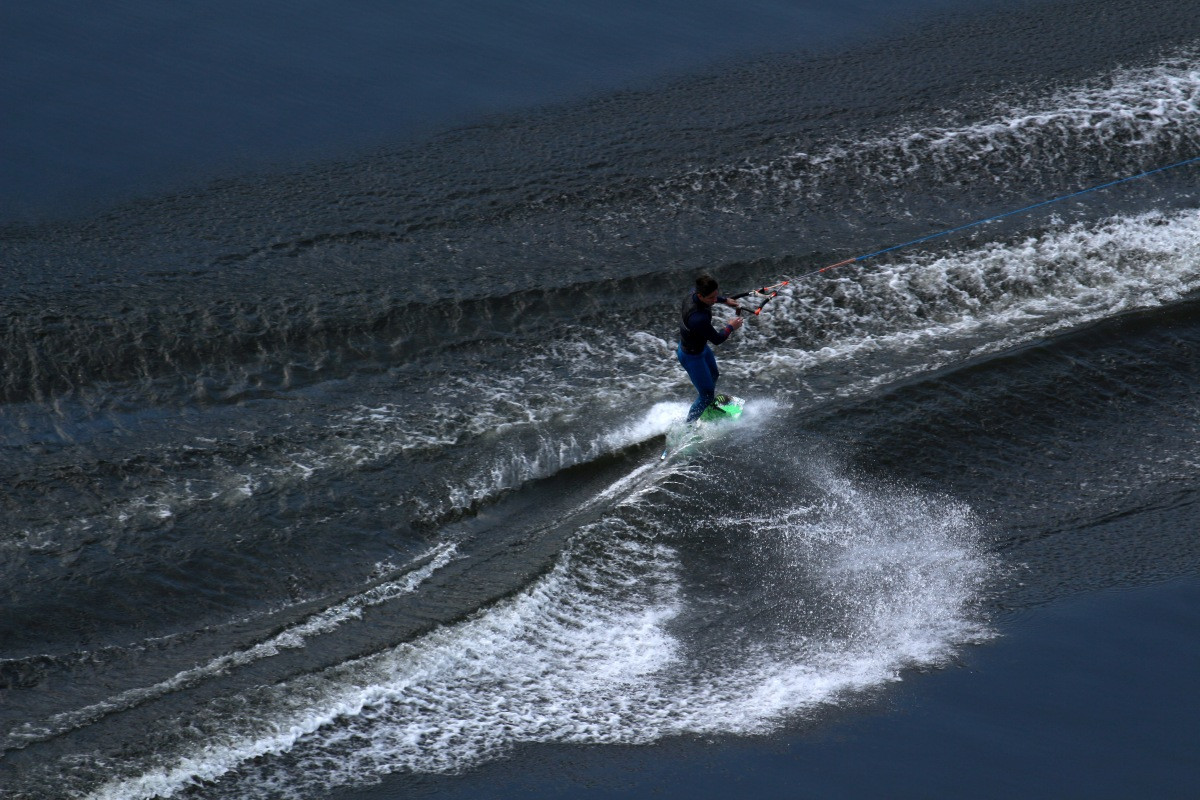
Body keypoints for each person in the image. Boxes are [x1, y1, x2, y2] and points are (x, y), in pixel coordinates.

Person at [677, 273, 743, 422]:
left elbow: (712, 297)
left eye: (716, 296)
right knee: (706, 394)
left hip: (701, 349)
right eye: (711, 299)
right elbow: (717, 339)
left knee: (714, 375)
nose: (715, 300)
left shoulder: (694, 292)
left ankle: (706, 405)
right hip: (691, 356)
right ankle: (688, 426)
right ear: (700, 296)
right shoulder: (697, 318)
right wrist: (731, 327)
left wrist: (725, 300)